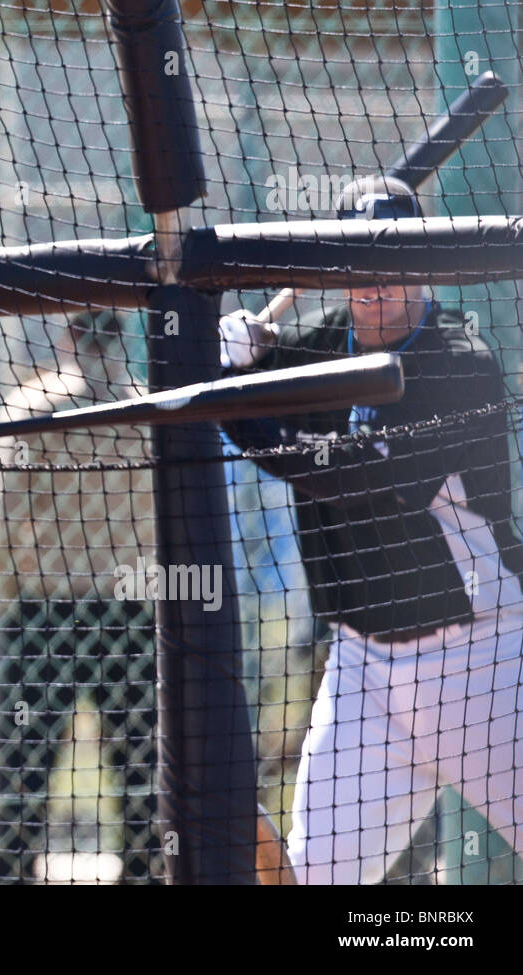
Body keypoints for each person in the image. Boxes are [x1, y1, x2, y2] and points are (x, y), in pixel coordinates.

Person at [217, 174, 523, 884]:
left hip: (481, 660)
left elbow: (348, 476)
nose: (378, 284)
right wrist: (235, 355)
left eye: (395, 266)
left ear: (423, 267)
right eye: (361, 266)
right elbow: (220, 379)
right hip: (362, 671)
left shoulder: (458, 363)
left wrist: (239, 403)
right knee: (317, 877)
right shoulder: (317, 347)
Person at [0, 309, 159, 884]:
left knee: (22, 773)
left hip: (43, 613)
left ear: (69, 336)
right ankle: (145, 876)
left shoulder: (32, 408)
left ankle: (11, 877)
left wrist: (9, 597)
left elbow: (1, 519)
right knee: (141, 772)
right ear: (121, 337)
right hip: (127, 614)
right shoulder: (148, 411)